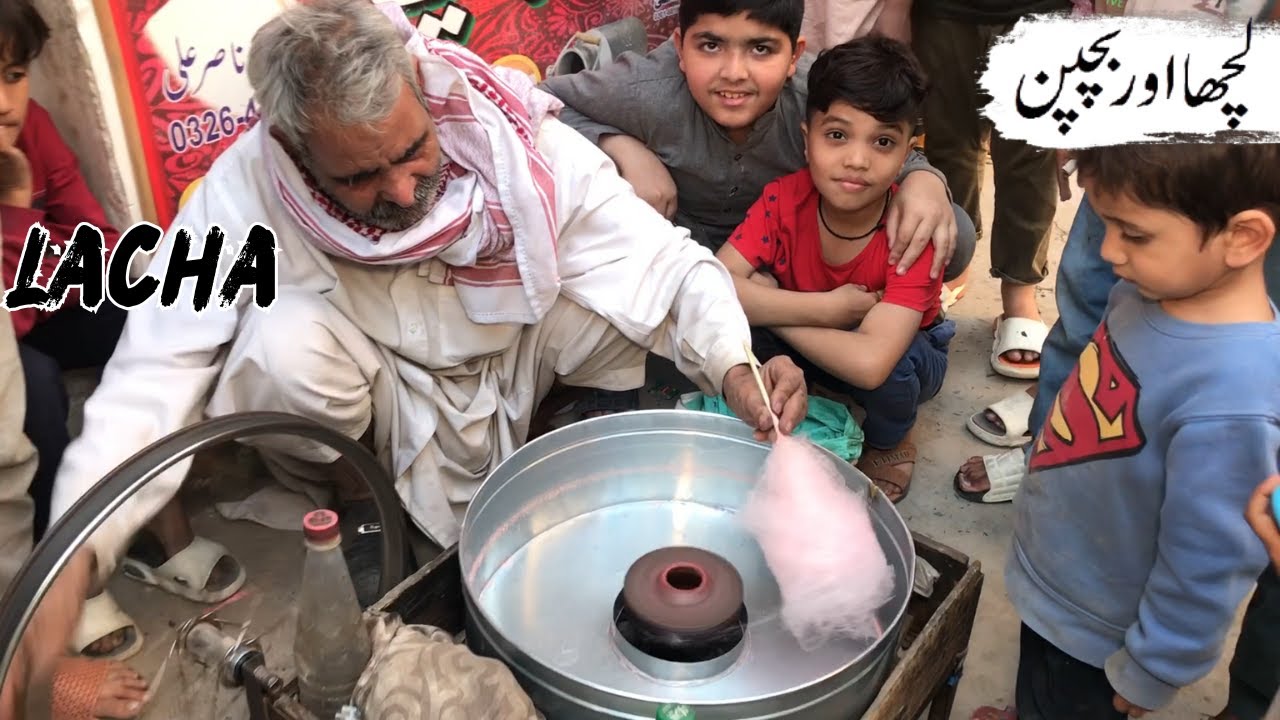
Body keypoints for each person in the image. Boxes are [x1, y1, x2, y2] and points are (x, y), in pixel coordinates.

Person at [45, 0, 808, 619]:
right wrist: (76, 553)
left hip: (513, 351)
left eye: (413, 151)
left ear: (420, 87)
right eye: (360, 177)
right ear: (298, 146)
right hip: (375, 377)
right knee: (280, 349)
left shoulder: (502, 129)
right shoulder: (244, 188)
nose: (405, 192)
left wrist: (734, 365)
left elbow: (663, 258)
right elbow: (153, 366)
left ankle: (565, 443)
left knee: (628, 304)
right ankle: (360, 502)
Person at [539, 0, 974, 418]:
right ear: (679, 47)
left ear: (793, 56)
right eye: (711, 45)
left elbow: (881, 140)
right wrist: (620, 147)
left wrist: (926, 180)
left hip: (771, 247)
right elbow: (535, 104)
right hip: (675, 238)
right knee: (588, 198)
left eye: (761, 48)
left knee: (946, 229)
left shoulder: (814, 93)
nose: (734, 73)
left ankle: (775, 318)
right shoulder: (647, 88)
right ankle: (609, 387)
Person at [983, 143, 1280, 719]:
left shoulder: (1234, 401)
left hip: (1103, 633)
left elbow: (1207, 561)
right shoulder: (1150, 291)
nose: (1109, 250)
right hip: (1064, 580)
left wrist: (1154, 667)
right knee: (1040, 682)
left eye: (1133, 234)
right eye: (1102, 221)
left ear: (1243, 237)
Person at [0, 0, 245, 665]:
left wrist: (51, 255)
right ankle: (57, 578)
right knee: (35, 387)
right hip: (13, 334)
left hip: (38, 301)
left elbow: (96, 243)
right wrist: (21, 213)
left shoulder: (36, 130)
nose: (4, 101)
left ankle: (155, 529)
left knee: (144, 323)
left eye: (14, 73)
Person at [715, 36, 949, 503]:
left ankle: (892, 440)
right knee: (741, 333)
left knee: (895, 370)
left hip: (906, 352)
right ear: (807, 140)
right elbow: (716, 285)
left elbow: (870, 363)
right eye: (837, 135)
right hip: (828, 340)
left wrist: (776, 308)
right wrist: (825, 309)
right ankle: (804, 393)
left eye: (883, 141)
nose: (857, 160)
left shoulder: (909, 231)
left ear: (906, 154)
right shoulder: (784, 199)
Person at [911, 0, 1071, 378]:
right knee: (949, 144)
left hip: (1040, 9)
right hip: (943, 12)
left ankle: (1019, 292)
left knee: (1030, 151)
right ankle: (952, 269)